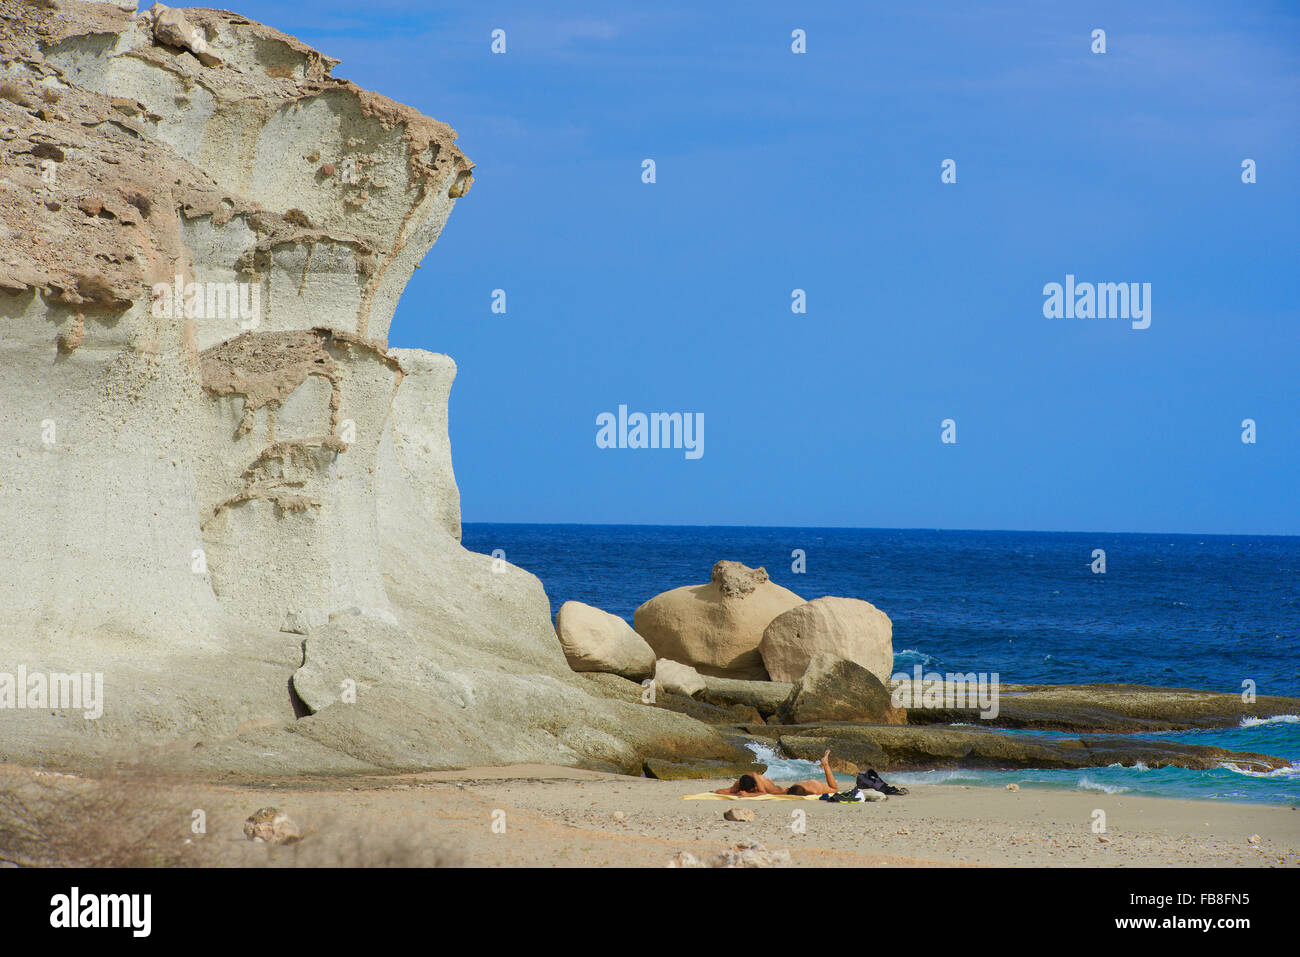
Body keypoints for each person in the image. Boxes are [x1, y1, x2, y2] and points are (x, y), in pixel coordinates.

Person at [715, 749, 840, 797]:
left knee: (834, 789)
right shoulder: (742, 782)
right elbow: (726, 791)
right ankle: (825, 764)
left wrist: (746, 795)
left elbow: (764, 793)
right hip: (803, 786)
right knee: (832, 789)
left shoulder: (759, 784)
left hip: (799, 787)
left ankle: (825, 764)